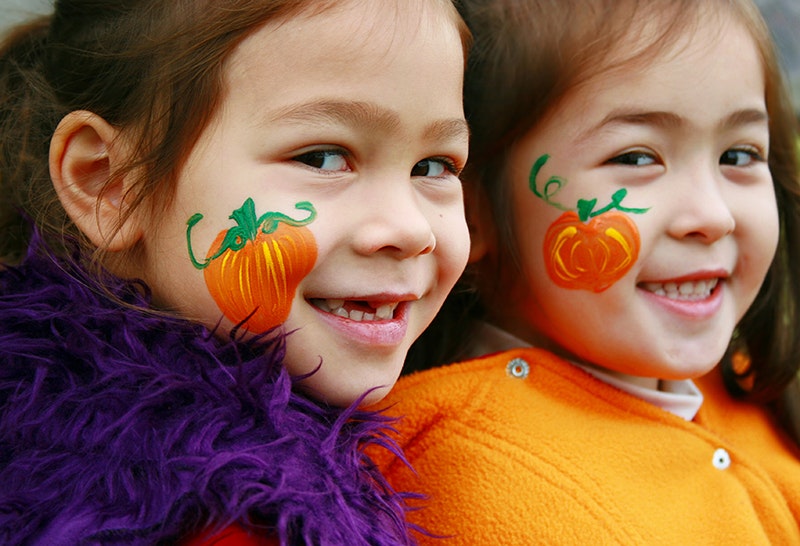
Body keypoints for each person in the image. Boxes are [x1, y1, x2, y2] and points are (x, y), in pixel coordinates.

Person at [0, 0, 471, 544]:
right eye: (321, 157)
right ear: (109, 182)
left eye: (433, 167)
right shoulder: (223, 517)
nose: (413, 230)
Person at [375, 0, 800, 543]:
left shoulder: (742, 385)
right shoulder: (469, 481)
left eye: (739, 155)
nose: (713, 216)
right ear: (471, 208)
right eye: (636, 158)